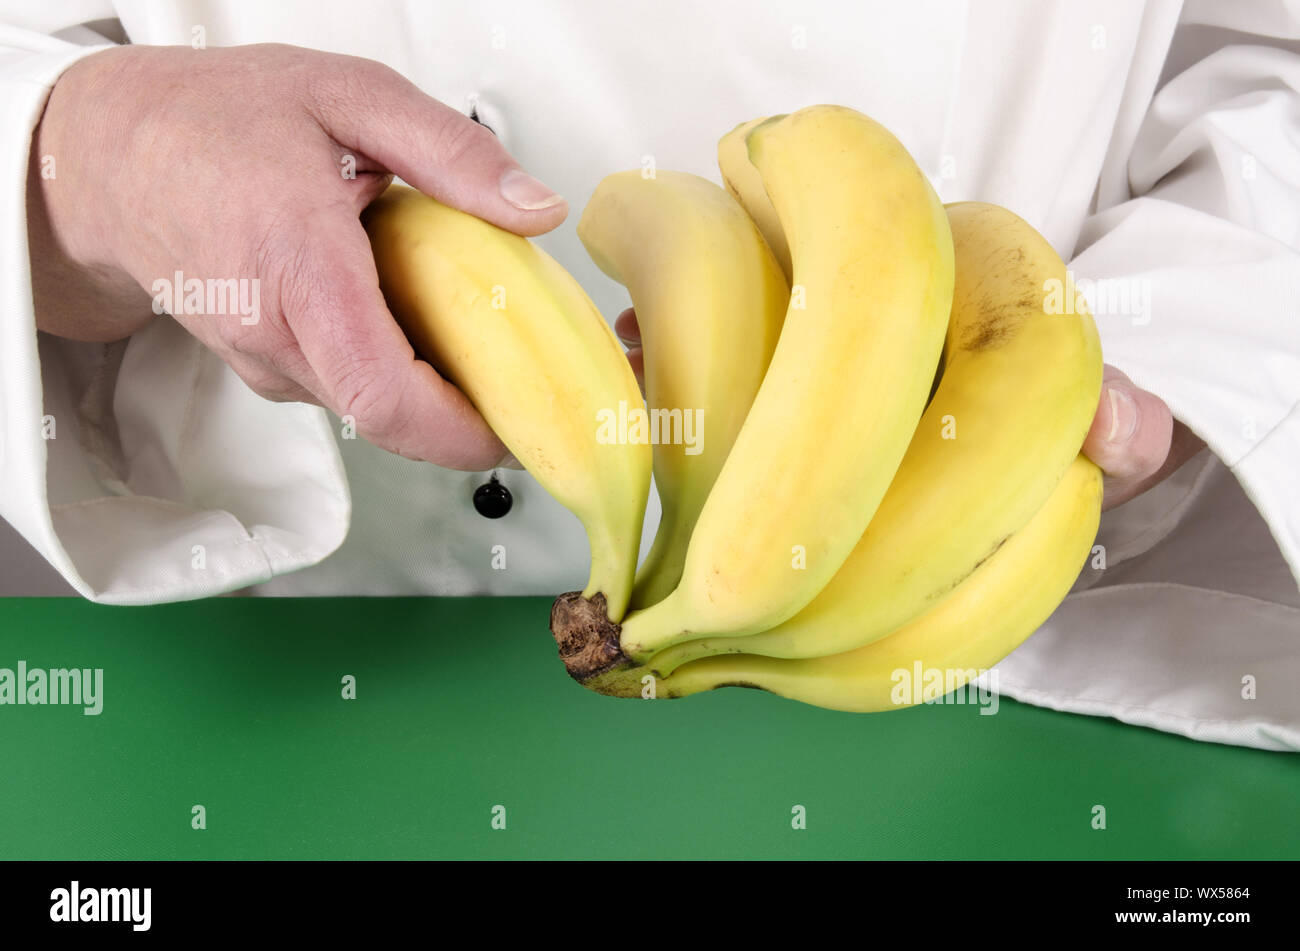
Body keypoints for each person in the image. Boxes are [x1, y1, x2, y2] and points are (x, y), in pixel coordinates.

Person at [1, 1, 1297, 750]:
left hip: (964, 669)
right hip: (239, 668)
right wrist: (83, 153)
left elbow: (1268, 71)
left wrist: (1164, 369)